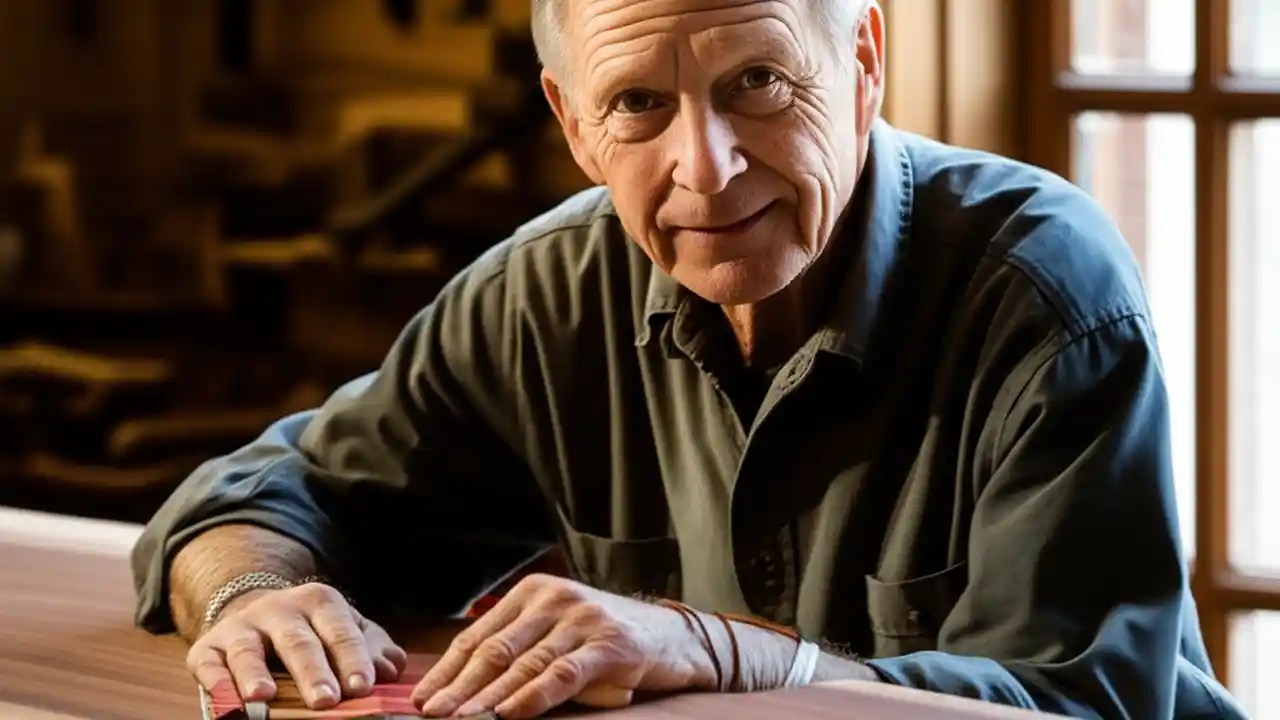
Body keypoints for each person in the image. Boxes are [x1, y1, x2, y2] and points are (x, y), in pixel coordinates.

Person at [131, 1, 1247, 718]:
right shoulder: (546, 291)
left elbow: (1084, 704)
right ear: (574, 126)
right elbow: (259, 497)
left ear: (861, 61)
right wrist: (251, 598)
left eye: (757, 83)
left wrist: (721, 650)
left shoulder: (1041, 287)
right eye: (638, 104)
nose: (703, 171)